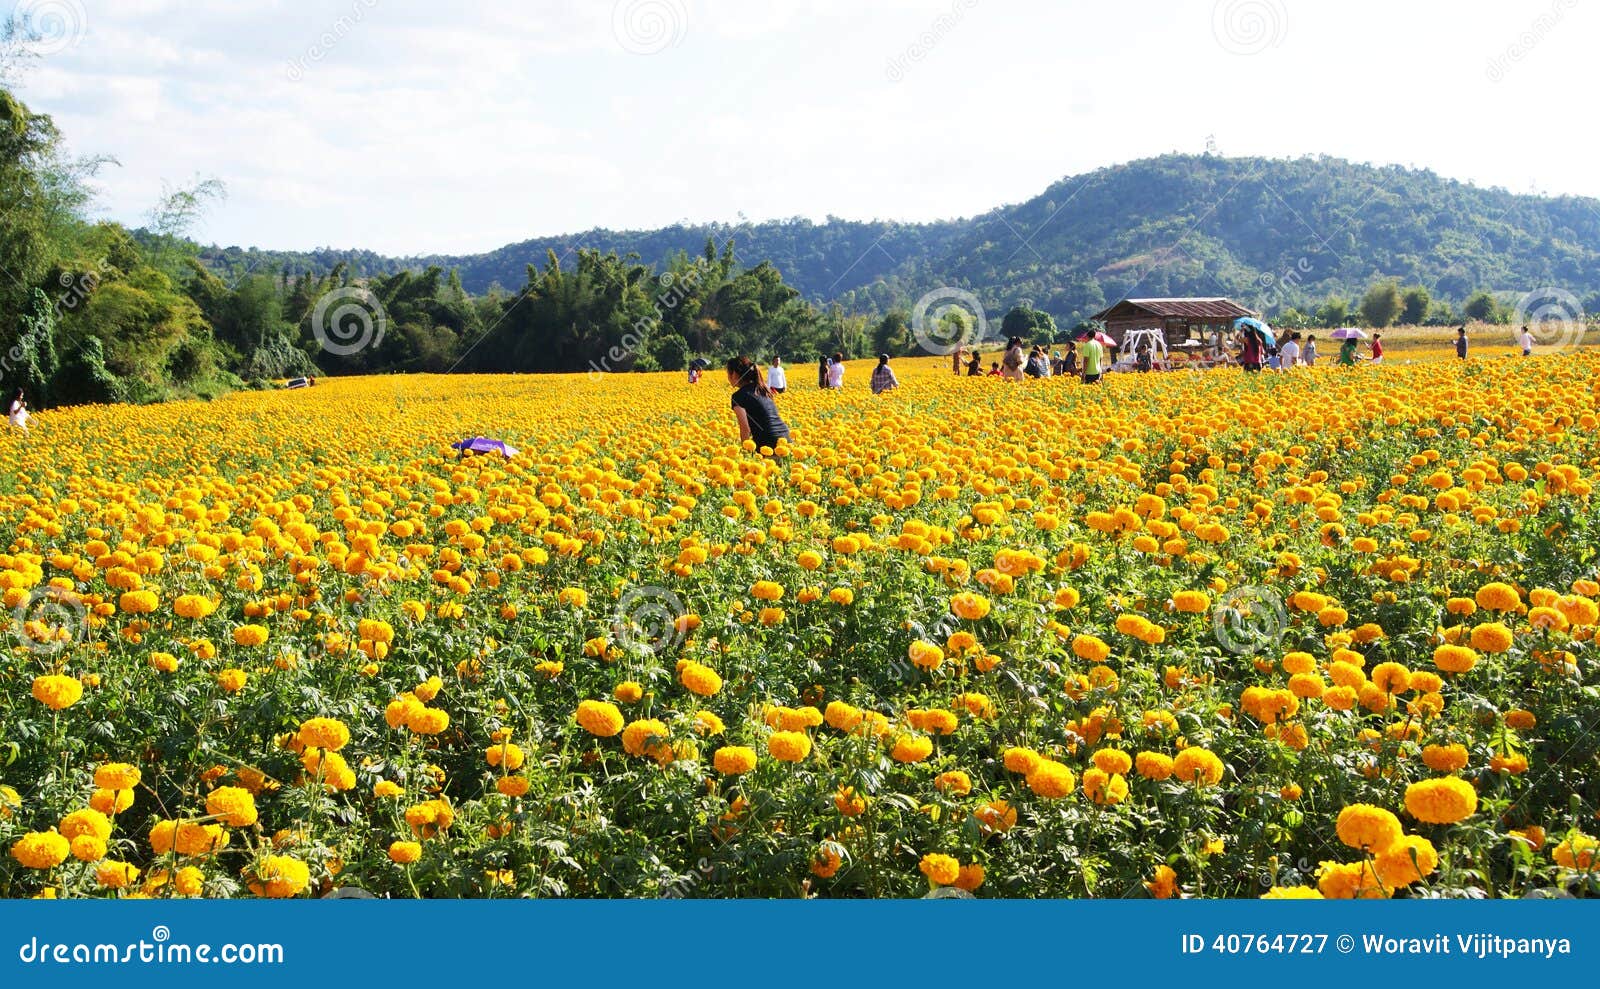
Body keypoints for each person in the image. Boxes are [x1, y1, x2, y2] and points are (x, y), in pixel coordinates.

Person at [726, 356, 790, 451]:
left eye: (728, 373)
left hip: (769, 444)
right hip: (786, 440)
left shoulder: (738, 396)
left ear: (734, 374)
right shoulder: (763, 389)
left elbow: (745, 429)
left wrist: (745, 451)